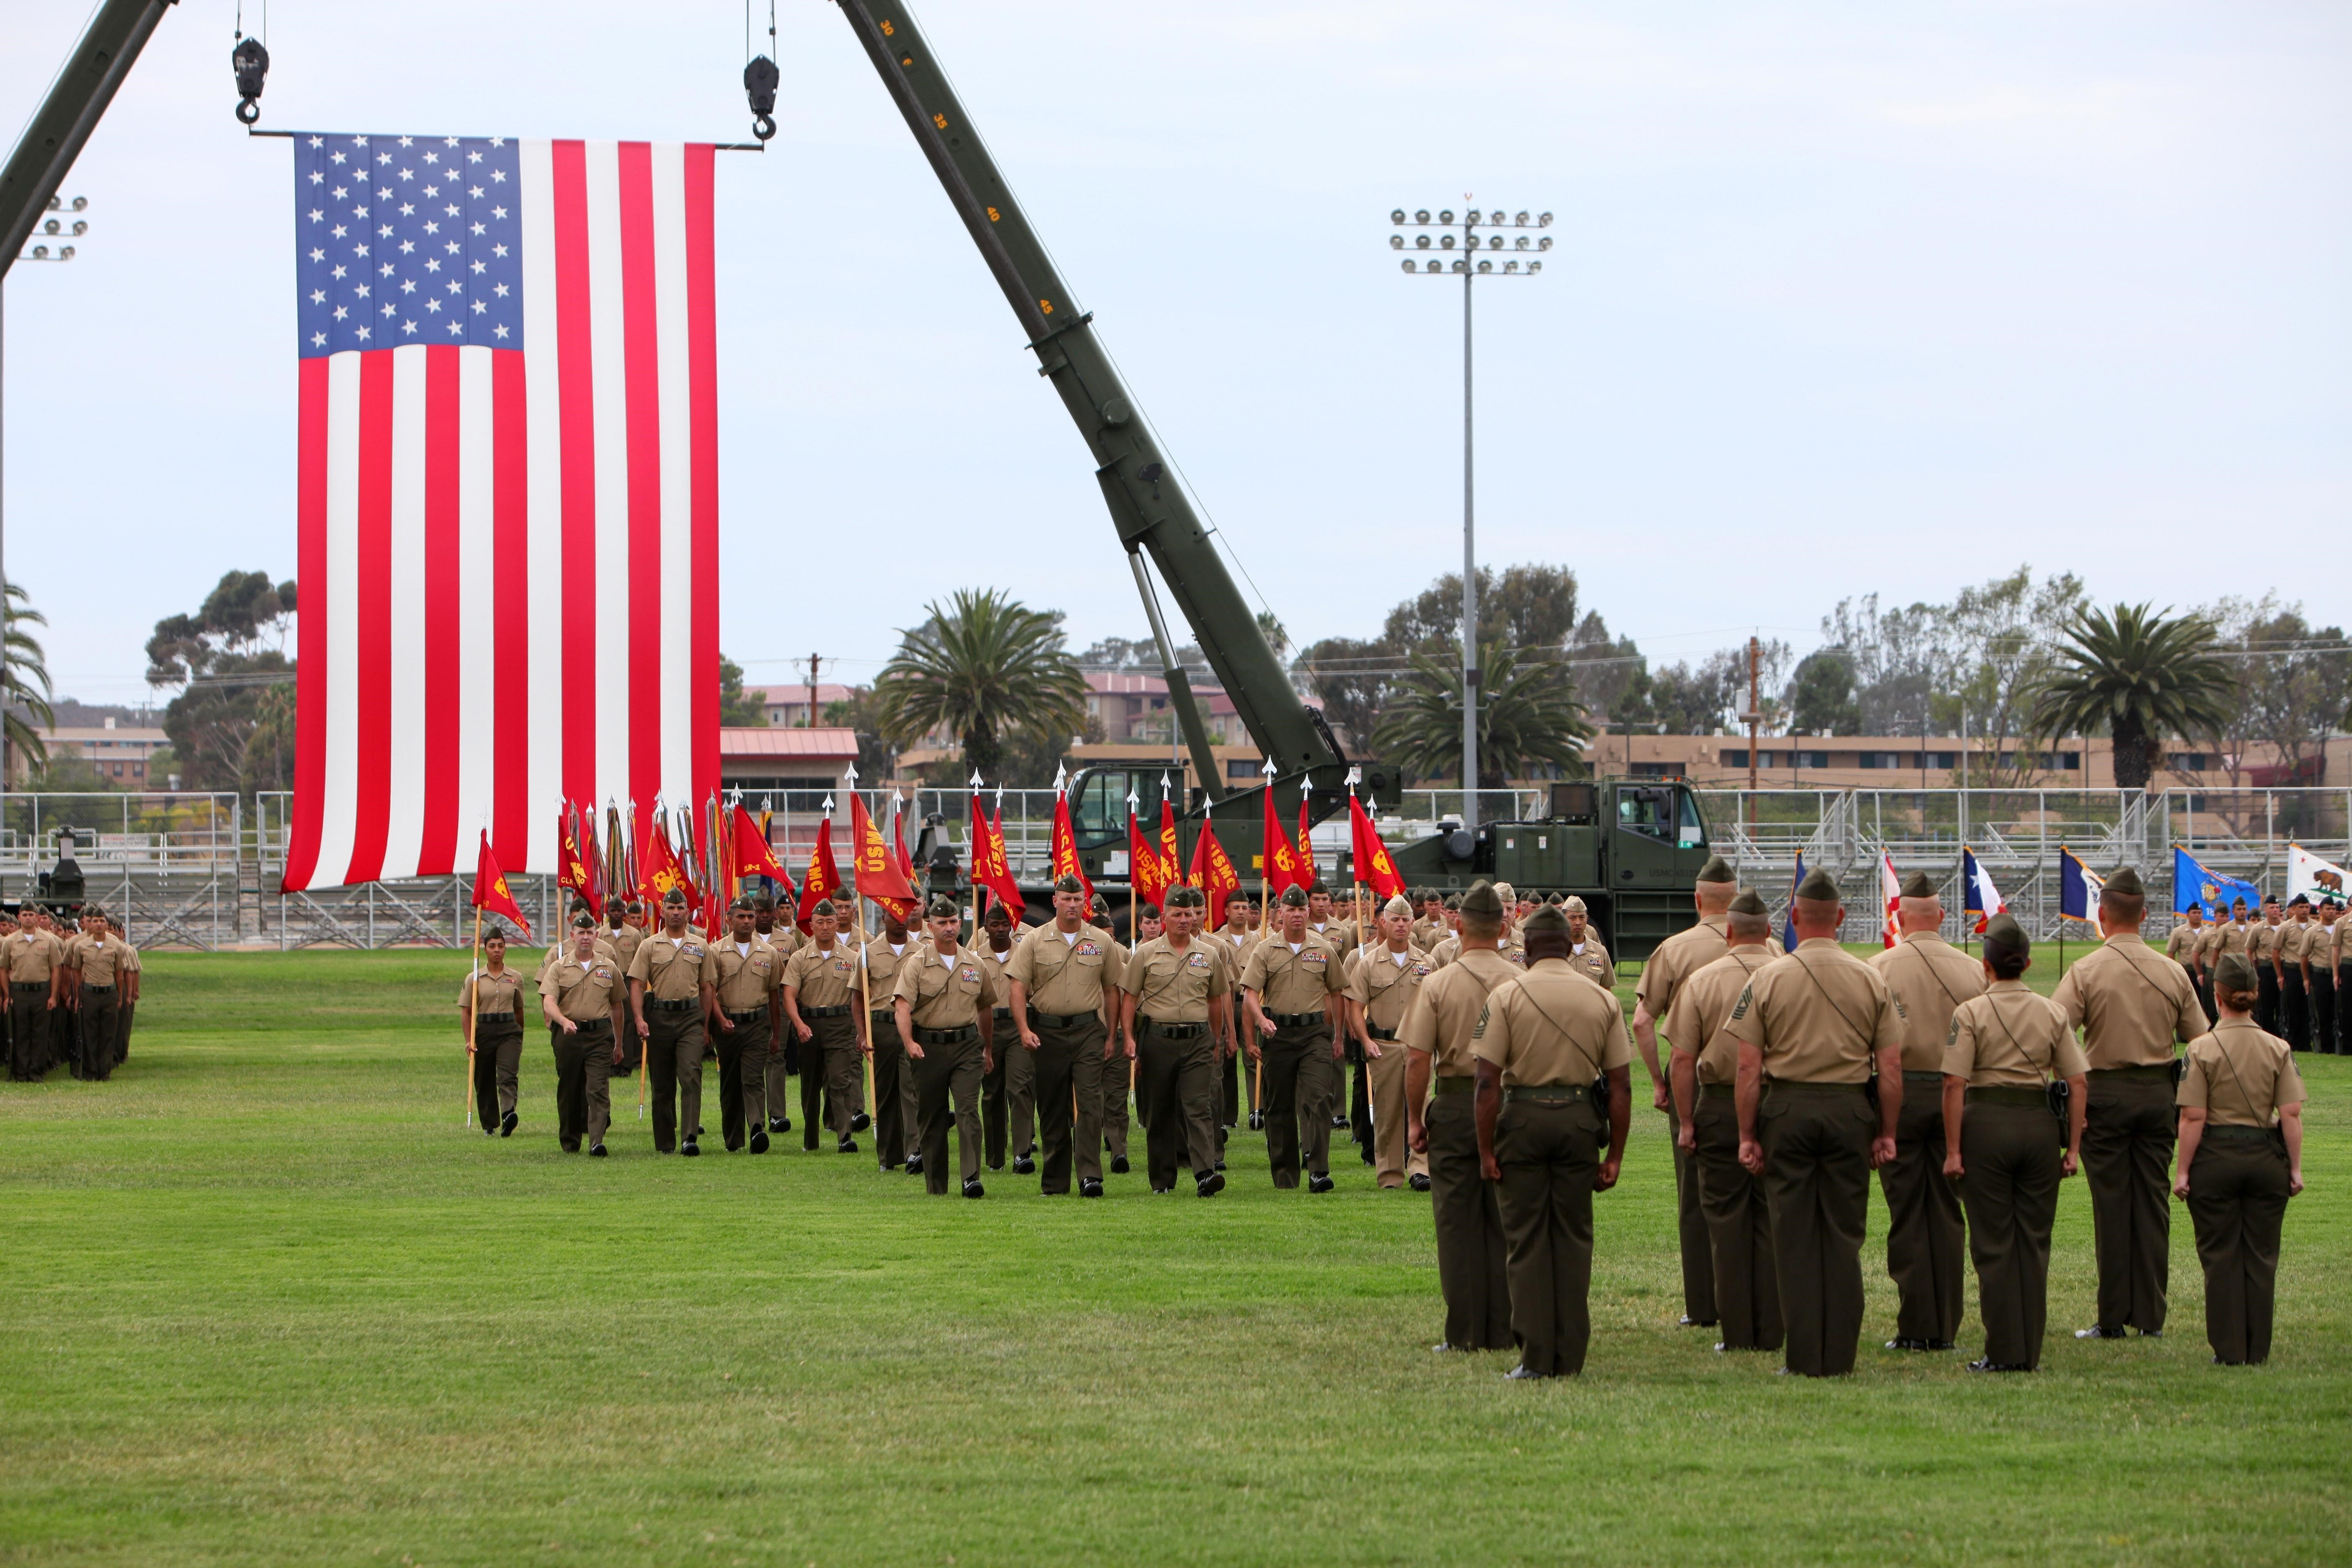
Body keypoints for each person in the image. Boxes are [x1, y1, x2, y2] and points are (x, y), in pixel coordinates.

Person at [1725, 867, 1906, 1378]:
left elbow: (1747, 1067)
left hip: (1788, 1112)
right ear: (1842, 918)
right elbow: (1890, 1068)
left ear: (1795, 918)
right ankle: (1840, 1357)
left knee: (1795, 1238)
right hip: (1850, 1111)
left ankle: (1805, 1357)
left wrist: (1746, 1135)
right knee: (1844, 1238)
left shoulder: (1768, 977)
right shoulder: (1872, 978)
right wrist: (1887, 1132)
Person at [1473, 903, 1632, 1380]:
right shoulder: (1602, 1000)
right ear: (1568, 945)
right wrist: (1617, 1155)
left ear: (1526, 950)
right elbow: (1621, 1085)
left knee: (1525, 1241)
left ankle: (1537, 1356)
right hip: (1580, 1122)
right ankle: (1571, 1355)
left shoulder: (1506, 996)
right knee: (1573, 1238)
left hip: (1521, 1120)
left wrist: (1485, 1150)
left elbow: (1486, 1082)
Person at [2050, 865, 2207, 1341]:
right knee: (2153, 1203)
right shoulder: (2172, 970)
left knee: (2112, 1205)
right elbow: (2199, 1041)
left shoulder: (2087, 970)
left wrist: (2069, 1083)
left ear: (2102, 915)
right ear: (2145, 914)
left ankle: (2113, 1316)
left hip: (2106, 1094)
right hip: (2160, 1093)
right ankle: (2151, 1316)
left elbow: (2055, 1032)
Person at [1939, 914, 2087, 1373]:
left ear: (1987, 965)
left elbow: (1953, 1084)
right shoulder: (2052, 1012)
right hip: (2040, 1127)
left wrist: (1953, 1151)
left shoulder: (1970, 1013)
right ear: (2023, 965)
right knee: (2033, 1242)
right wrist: (2074, 1149)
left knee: (1994, 1243)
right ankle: (2028, 1351)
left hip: (1986, 1126)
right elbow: (2078, 1082)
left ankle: (2003, 1351)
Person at [1632, 854, 1770, 1333]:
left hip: (1702, 1087)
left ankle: (1705, 1305)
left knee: (1698, 1197)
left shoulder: (1674, 950)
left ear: (1698, 900)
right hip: (1767, 1089)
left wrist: (1658, 1081)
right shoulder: (1774, 954)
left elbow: (1643, 1022)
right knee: (1765, 1200)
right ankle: (1764, 1302)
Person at [1865, 870, 1983, 1354]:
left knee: (1908, 1212)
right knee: (1949, 1213)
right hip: (1961, 1096)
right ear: (1941, 917)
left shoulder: (1879, 968)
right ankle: (1947, 1323)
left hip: (1902, 1095)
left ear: (1900, 916)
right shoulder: (1973, 970)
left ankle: (1917, 1323)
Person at [1400, 880, 1519, 1352]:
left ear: (1459, 924)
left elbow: (1415, 1060)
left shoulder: (1438, 982)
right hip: (1509, 1106)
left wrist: (1414, 1120)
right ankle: (1507, 1327)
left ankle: (1466, 1332)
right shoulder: (1519, 980)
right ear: (1505, 925)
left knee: (1456, 1222)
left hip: (1452, 1103)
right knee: (1507, 1218)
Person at [1666, 888, 1782, 1354]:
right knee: (1772, 1218)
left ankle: (1737, 1332)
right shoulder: (1787, 974)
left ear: (1729, 932)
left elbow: (1681, 1058)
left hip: (1715, 1103)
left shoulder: (1702, 979)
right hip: (1777, 1103)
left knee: (1726, 1221)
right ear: (1770, 931)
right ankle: (1773, 1328)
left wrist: (1687, 1122)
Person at [2175, 953, 2305, 1365]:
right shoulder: (2278, 1047)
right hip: (2267, 1157)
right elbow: (2290, 1114)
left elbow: (2193, 1116)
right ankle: (2257, 1349)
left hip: (2216, 1157)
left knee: (2220, 1256)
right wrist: (2295, 1168)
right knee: (2262, 1256)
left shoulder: (2201, 1049)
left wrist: (2182, 1171)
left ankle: (2230, 1349)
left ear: (2218, 996)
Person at [1006, 874, 1118, 1197]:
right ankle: (1055, 1181)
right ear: (1055, 901)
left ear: (1086, 903)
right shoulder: (1035, 940)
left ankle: (1090, 1175)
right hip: (1047, 1033)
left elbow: (1112, 990)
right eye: (1066, 899)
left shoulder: (1101, 940)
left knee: (1090, 1103)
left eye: (1078, 899)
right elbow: (1017, 986)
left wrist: (1111, 1035)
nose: (1072, 905)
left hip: (1087, 1032)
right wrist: (1024, 1029)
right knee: (1053, 1107)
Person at [1117, 885, 1228, 1196]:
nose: (1184, 920)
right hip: (1157, 1040)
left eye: (1189, 914)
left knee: (1198, 1108)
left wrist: (1216, 1039)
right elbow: (1129, 998)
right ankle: (1162, 1180)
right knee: (1159, 1111)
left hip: (1197, 1041)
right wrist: (1129, 1038)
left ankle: (1205, 1173)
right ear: (1164, 916)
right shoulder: (1146, 954)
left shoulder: (1208, 954)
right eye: (1177, 914)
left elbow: (1215, 1000)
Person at [1239, 885, 1348, 1191]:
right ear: (1280, 914)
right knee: (1280, 1106)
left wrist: (1338, 1036)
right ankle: (1285, 1175)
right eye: (1291, 910)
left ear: (1307, 913)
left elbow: (1338, 992)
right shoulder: (1265, 949)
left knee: (1317, 1098)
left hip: (1315, 1034)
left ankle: (1318, 1170)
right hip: (1279, 1034)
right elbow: (1249, 994)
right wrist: (1261, 1021)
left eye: (1302, 910)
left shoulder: (1323, 948)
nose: (1297, 915)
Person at [895, 895, 993, 1197]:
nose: (949, 928)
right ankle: (936, 1184)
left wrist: (987, 1049)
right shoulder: (917, 964)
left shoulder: (974, 963)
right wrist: (909, 1042)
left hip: (966, 1047)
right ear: (930, 926)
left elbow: (985, 1008)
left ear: (959, 924)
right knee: (932, 1116)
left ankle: (970, 1178)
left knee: (967, 1111)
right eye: (942, 923)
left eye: (953, 922)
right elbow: (902, 1007)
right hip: (929, 1047)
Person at [1347, 895, 1432, 1191]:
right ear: (1383, 922)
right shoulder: (1368, 963)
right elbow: (1355, 1006)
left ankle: (1420, 1170)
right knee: (1387, 1114)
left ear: (1413, 923)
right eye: (1394, 919)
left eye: (1406, 920)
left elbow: (1438, 1007)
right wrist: (1365, 1041)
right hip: (1384, 1046)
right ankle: (1390, 1175)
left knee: (1421, 1110)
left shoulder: (1428, 962)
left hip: (1419, 1046)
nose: (1400, 925)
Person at [626, 890, 717, 1157]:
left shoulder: (700, 945)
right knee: (662, 1083)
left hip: (690, 1016)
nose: (676, 912)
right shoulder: (649, 946)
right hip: (660, 1017)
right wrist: (640, 1019)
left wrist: (705, 1025)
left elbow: (707, 988)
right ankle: (665, 1142)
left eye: (680, 908)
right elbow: (637, 984)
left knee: (691, 1075)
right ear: (662, 912)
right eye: (671, 908)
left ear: (688, 912)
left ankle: (689, 1137)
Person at [540, 913, 628, 1155]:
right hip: (568, 1035)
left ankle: (596, 1141)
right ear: (573, 936)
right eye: (581, 933)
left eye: (590, 933)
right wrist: (562, 1021)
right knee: (570, 1088)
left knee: (598, 1088)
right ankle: (570, 1141)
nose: (586, 937)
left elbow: (617, 1006)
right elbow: (549, 1001)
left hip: (600, 1035)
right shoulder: (559, 967)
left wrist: (619, 1044)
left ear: (596, 936)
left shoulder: (608, 967)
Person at [783, 900, 864, 1157]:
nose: (826, 927)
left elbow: (860, 996)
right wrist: (798, 1024)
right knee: (810, 1084)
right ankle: (811, 1139)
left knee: (841, 1081)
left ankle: (844, 1137)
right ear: (812, 926)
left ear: (837, 924)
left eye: (831, 922)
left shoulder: (852, 958)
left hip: (840, 1025)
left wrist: (860, 1029)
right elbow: (789, 995)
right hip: (810, 1024)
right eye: (820, 922)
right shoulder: (800, 958)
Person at [709, 898, 783, 1153]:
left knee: (753, 1078)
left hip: (757, 1024)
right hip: (728, 1025)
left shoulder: (769, 953)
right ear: (730, 919)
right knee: (730, 1083)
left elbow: (774, 996)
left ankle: (756, 1128)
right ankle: (733, 1138)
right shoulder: (715, 951)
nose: (748, 921)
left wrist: (776, 1034)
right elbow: (709, 992)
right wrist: (720, 1021)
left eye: (751, 916)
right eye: (741, 916)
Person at [859, 903, 922, 1172]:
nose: (900, 920)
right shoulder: (867, 953)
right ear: (883, 918)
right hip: (881, 1028)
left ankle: (914, 1152)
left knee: (911, 1091)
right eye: (894, 915)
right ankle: (887, 1156)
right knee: (884, 1094)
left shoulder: (921, 953)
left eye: (905, 915)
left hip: (911, 1028)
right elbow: (857, 996)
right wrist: (862, 1034)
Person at [460, 929, 529, 1135]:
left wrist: (520, 1035)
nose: (497, 950)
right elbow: (467, 1012)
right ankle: (489, 1124)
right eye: (492, 946)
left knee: (508, 1075)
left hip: (509, 1029)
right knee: (484, 1077)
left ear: (506, 949)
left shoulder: (515, 977)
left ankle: (508, 1114)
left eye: (501, 946)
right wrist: (468, 1040)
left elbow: (519, 1010)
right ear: (485, 949)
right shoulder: (475, 978)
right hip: (484, 1029)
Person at [66, 907, 135, 1084]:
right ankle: (91, 1071)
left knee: (108, 1033)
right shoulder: (81, 946)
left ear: (106, 924)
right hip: (90, 993)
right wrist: (78, 994)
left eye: (102, 921)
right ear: (89, 924)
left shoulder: (116, 946)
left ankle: (104, 1071)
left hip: (109, 992)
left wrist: (120, 995)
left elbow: (119, 973)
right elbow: (76, 970)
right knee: (90, 1033)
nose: (98, 924)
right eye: (95, 921)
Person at [752, 894, 799, 1135]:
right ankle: (755, 1116)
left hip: (779, 1004)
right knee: (752, 1061)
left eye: (768, 911)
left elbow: (794, 979)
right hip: (750, 1005)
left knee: (777, 1057)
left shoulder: (788, 941)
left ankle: (778, 1115)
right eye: (759, 912)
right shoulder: (743, 938)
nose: (765, 916)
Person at [3, 904, 65, 1082]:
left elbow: (55, 969)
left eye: (32, 914)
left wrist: (53, 996)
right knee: (21, 1032)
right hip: (19, 992)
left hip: (41, 992)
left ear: (38, 917)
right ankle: (22, 1073)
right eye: (25, 915)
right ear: (19, 917)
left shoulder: (48, 940)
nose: (28, 918)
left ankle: (37, 1072)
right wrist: (7, 995)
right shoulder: (10, 941)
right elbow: (4, 969)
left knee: (40, 1033)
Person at [2278, 897, 2314, 1051]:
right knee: (2293, 1006)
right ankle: (2294, 1041)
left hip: (2311, 970)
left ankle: (2307, 1041)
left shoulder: (2315, 926)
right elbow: (2276, 951)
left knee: (2309, 1006)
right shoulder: (2286, 927)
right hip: (2292, 969)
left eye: (2307, 907)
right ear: (2294, 908)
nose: (2305, 910)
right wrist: (2280, 975)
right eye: (2301, 907)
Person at [2169, 904, 2212, 1023]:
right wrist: (2175, 971)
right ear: (2188, 915)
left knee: (2206, 1002)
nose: (2197, 915)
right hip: (2186, 971)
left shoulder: (2208, 932)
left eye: (2200, 913)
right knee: (2186, 1002)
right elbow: (2171, 953)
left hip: (2205, 971)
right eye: (2194, 913)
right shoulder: (2179, 932)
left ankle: (2206, 1027)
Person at [2248, 897, 2283, 1035]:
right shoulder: (2258, 929)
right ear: (2266, 910)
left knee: (2282, 1004)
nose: (2275, 910)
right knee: (2267, 1005)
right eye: (2272, 907)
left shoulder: (2285, 926)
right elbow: (2249, 951)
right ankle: (2268, 1033)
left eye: (2277, 907)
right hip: (2266, 969)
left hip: (2283, 968)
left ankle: (2282, 1034)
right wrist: (2254, 972)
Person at [1560, 896, 1611, 990]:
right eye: (1573, 918)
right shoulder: (1554, 950)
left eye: (1582, 917)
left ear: (1587, 919)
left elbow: (1606, 988)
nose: (1578, 922)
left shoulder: (1600, 952)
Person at [2314, 900, 2340, 1056]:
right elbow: (2305, 956)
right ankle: (2326, 1046)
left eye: (2333, 909)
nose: (2332, 911)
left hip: (2340, 974)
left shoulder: (2342, 927)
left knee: (2340, 1011)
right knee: (2324, 1012)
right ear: (2321, 911)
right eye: (2328, 909)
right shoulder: (2313, 931)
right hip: (2321, 974)